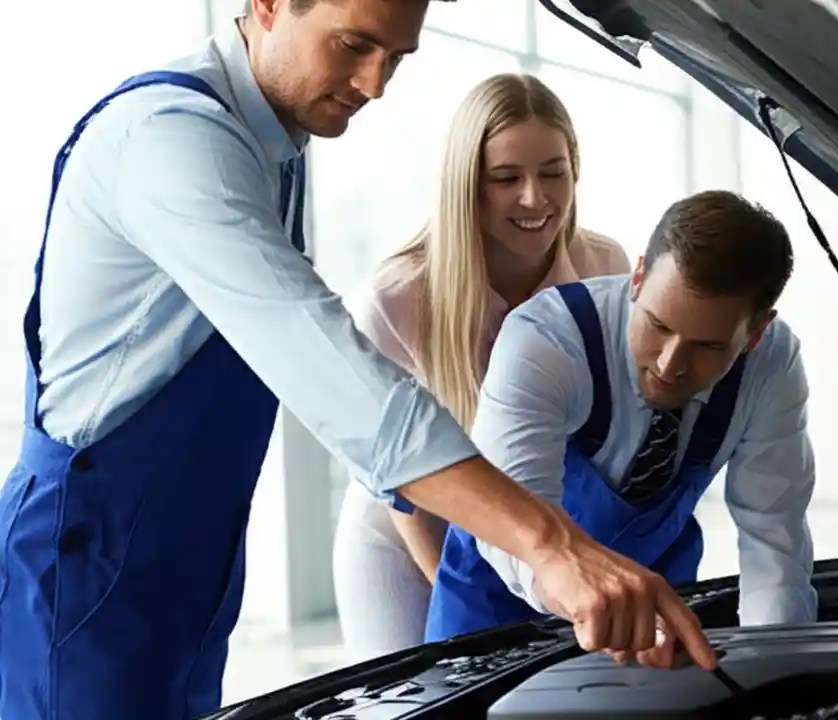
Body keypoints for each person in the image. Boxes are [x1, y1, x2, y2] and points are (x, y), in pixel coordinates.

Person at [0, 2, 713, 719]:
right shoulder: (171, 143)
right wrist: (552, 549)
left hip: (181, 565)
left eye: (396, 58)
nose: (374, 85)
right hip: (86, 562)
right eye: (353, 45)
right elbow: (338, 377)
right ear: (269, 5)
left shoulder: (271, 140)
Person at [426, 190, 820, 656]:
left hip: (652, 604)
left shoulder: (771, 366)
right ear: (637, 278)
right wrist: (594, 604)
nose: (671, 364)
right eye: (657, 324)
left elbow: (774, 542)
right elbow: (516, 524)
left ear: (756, 333)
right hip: (494, 602)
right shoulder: (544, 340)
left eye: (708, 347)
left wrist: (775, 671)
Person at [332, 72, 632, 663]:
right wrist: (464, 603)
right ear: (466, 185)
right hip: (411, 537)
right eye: (505, 179)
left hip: (543, 530)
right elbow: (402, 488)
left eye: (553, 173)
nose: (534, 198)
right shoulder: (398, 298)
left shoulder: (605, 265)